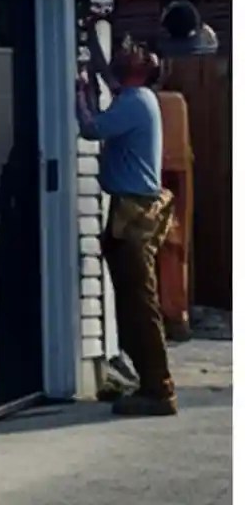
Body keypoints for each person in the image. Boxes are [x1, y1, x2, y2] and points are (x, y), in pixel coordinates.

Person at [76, 33, 177, 416]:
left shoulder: (135, 101)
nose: (128, 48)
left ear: (147, 66)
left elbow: (90, 128)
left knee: (139, 303)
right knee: (131, 300)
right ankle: (149, 381)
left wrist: (78, 92)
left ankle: (159, 388)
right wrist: (91, 37)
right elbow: (110, 75)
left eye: (136, 49)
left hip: (133, 215)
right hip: (130, 210)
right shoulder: (135, 97)